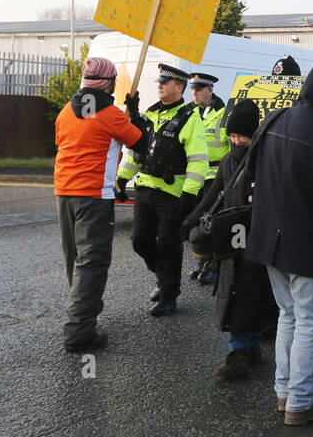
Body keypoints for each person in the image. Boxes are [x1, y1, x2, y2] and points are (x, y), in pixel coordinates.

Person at [244, 63, 313, 426]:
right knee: (309, 320)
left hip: (266, 240)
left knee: (287, 315)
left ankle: (283, 393)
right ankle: (301, 402)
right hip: (306, 244)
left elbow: (250, 169)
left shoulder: (274, 119)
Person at [53, 56, 146, 352]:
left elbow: (62, 141)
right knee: (92, 262)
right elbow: (140, 142)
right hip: (94, 195)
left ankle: (83, 313)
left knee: (76, 258)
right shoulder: (110, 114)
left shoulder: (66, 111)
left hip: (64, 192)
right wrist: (133, 111)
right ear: (109, 84)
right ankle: (79, 331)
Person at [182, 100, 277, 379]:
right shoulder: (226, 161)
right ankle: (241, 349)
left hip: (257, 240)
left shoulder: (265, 161)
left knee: (251, 295)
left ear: (255, 133)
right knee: (232, 294)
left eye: (242, 136)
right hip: (229, 243)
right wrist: (190, 220)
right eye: (232, 136)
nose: (236, 141)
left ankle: (246, 349)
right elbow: (212, 198)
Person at [116, 63, 209, 316]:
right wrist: (122, 178)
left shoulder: (190, 119)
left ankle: (169, 293)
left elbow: (198, 160)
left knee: (169, 245)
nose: (159, 85)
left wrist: (190, 194)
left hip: (172, 193)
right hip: (145, 189)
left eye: (164, 83)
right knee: (139, 242)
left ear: (179, 87)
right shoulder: (149, 115)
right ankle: (163, 274)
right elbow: (137, 152)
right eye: (159, 82)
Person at [186, 71, 228, 287]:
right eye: (192, 88)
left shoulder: (224, 114)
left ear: (210, 90)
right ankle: (200, 261)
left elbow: (232, 148)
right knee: (195, 222)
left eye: (199, 89)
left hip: (215, 177)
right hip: (193, 177)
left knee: (213, 222)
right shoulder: (188, 113)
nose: (194, 92)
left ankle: (213, 264)